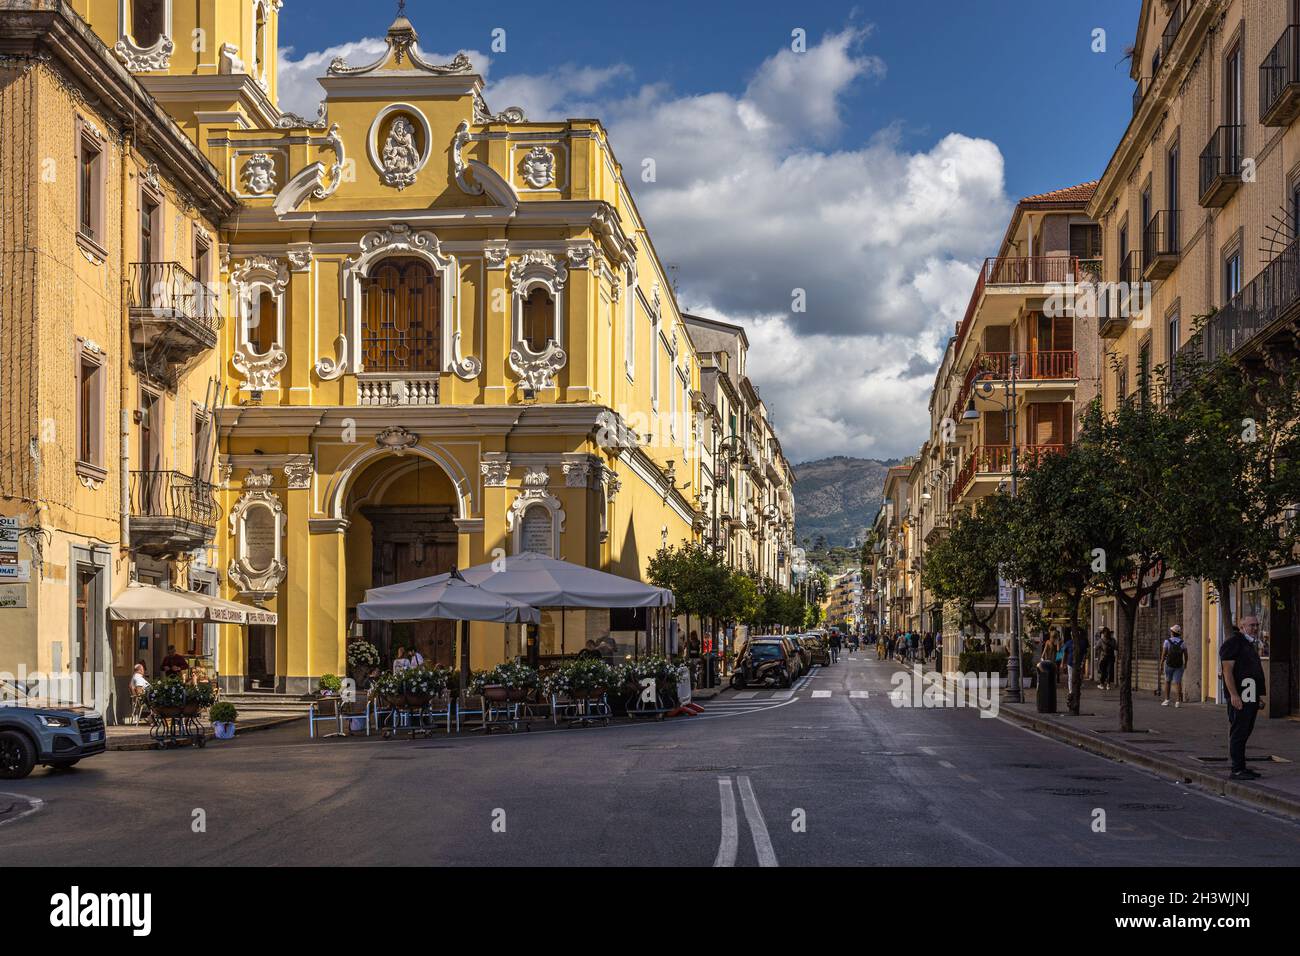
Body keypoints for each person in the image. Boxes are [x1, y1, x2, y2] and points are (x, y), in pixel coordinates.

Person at [1221, 617, 1267, 780]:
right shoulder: (1234, 643)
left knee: (1246, 731)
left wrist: (1257, 697)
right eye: (1251, 625)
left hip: (1250, 696)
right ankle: (1237, 769)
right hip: (1241, 697)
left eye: (1256, 625)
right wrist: (1234, 695)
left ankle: (1242, 767)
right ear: (1241, 627)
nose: (1255, 628)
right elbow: (1227, 671)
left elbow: (1253, 672)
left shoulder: (1249, 644)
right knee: (1239, 732)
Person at [1160, 624, 1187, 708]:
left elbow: (1164, 654)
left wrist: (1161, 664)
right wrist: (1185, 663)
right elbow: (1186, 655)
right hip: (1179, 665)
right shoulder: (1182, 642)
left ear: (1172, 632)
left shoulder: (1167, 641)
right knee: (1178, 682)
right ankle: (1178, 702)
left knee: (1168, 681)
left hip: (1169, 664)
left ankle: (1167, 700)